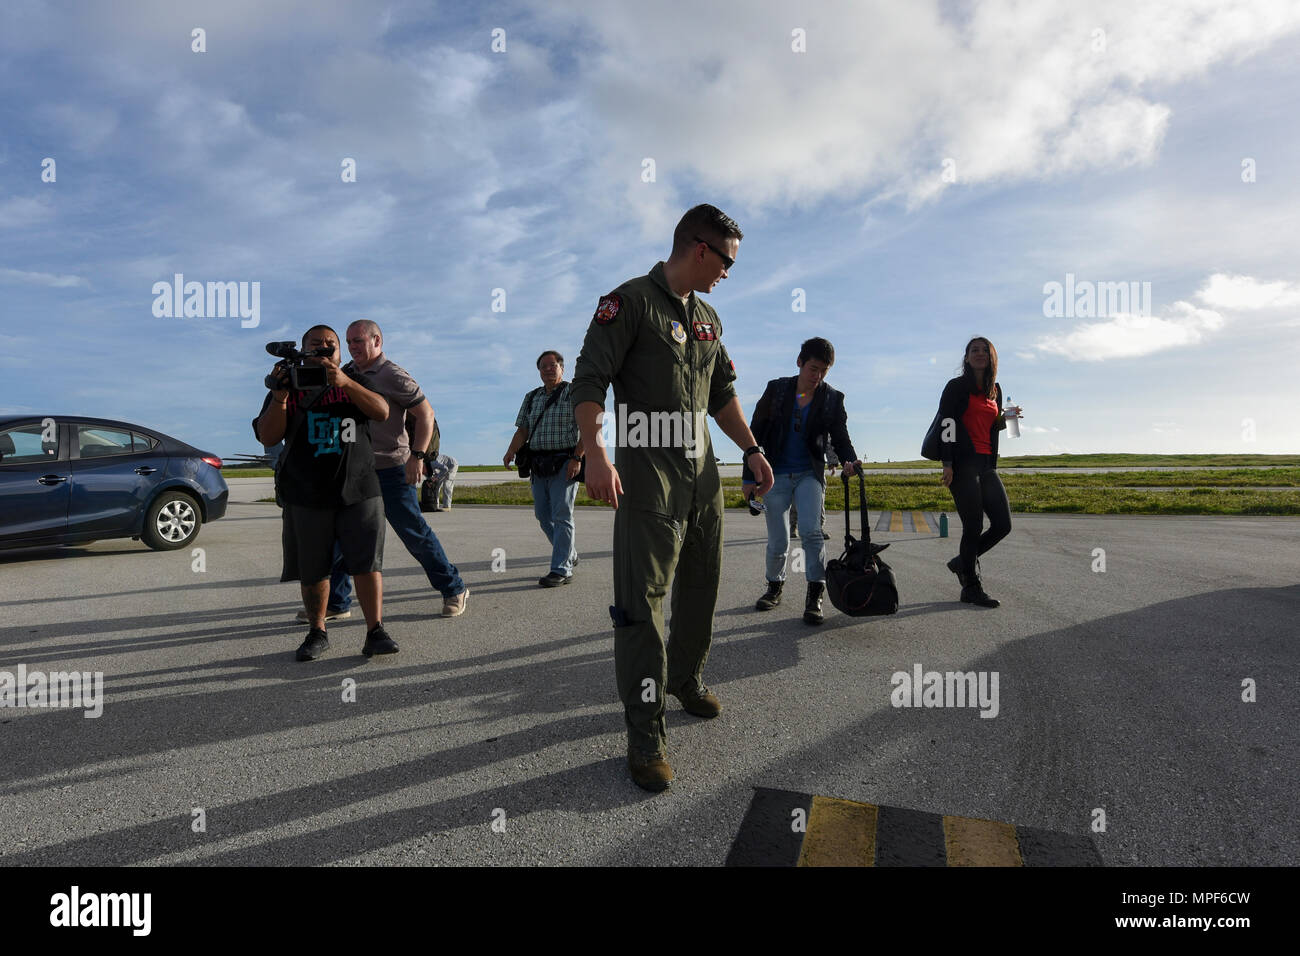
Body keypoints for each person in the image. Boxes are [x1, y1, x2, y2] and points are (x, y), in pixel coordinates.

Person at [571, 203, 774, 792]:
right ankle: (645, 735)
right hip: (647, 477)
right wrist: (596, 454)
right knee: (642, 608)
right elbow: (589, 380)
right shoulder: (627, 302)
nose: (728, 274)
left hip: (702, 476)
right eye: (727, 262)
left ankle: (686, 678)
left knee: (701, 588)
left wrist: (753, 449)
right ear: (700, 249)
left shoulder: (709, 317)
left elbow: (723, 393)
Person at [252, 325, 399, 661]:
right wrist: (279, 397)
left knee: (366, 563)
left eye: (329, 345)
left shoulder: (354, 380)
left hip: (360, 487)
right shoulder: (289, 384)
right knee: (313, 567)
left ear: (340, 353)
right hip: (306, 491)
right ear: (302, 351)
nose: (322, 350)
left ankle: (375, 630)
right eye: (314, 345)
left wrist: (345, 383)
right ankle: (317, 631)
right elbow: (268, 436)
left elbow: (382, 411)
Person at [318, 320, 470, 619]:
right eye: (348, 342)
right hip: (355, 470)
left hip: (392, 469)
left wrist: (417, 456)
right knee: (340, 536)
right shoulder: (346, 373)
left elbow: (426, 414)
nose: (352, 347)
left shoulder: (392, 375)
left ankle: (454, 588)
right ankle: (337, 603)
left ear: (377, 341)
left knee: (414, 534)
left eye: (358, 341)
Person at [743, 337, 863, 625]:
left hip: (810, 473)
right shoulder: (777, 389)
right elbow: (755, 433)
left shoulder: (832, 398)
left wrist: (850, 460)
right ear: (799, 363)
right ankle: (774, 587)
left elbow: (841, 437)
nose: (817, 376)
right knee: (778, 539)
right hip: (775, 475)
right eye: (813, 368)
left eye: (823, 370)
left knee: (811, 532)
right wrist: (750, 476)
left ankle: (815, 596)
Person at [936, 336, 1023, 608]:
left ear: (992, 356)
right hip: (963, 464)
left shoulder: (994, 389)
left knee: (1002, 525)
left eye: (985, 350)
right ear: (966, 356)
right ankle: (970, 586)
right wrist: (947, 464)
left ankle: (963, 562)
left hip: (987, 464)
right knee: (973, 526)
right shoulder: (956, 387)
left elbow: (989, 425)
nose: (980, 354)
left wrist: (1006, 420)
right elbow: (947, 423)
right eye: (975, 350)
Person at [503, 351, 585, 587]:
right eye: (543, 367)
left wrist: (577, 458)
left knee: (562, 515)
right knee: (542, 515)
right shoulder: (531, 397)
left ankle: (562, 569)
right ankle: (569, 553)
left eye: (552, 365)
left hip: (565, 461)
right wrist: (511, 451)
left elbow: (588, 428)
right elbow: (523, 430)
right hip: (538, 463)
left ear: (562, 368)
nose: (548, 369)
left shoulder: (574, 393)